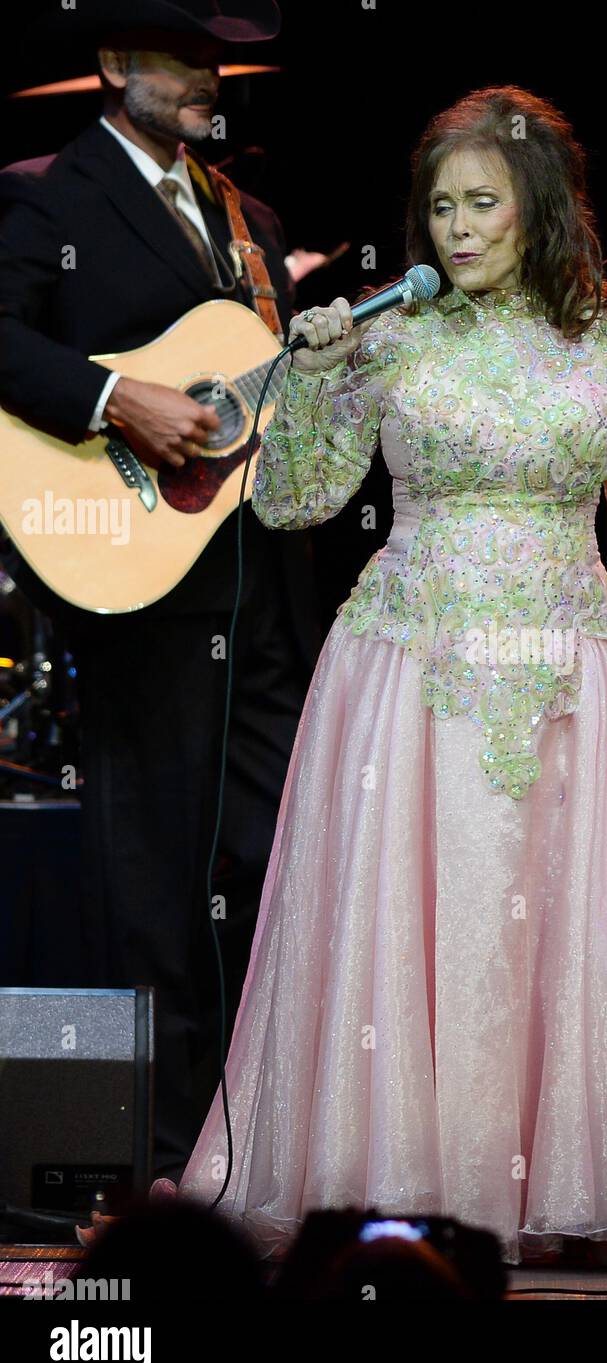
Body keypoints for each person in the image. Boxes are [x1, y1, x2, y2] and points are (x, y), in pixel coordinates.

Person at [171, 86, 607, 1269]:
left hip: (572, 667)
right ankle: (408, 1193)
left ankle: (576, 1192)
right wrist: (314, 378)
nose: (456, 228)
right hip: (410, 662)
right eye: (438, 207)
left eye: (482, 203)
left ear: (539, 211)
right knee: (419, 925)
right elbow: (293, 499)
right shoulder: (388, 338)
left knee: (576, 925)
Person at [0, 0, 322, 1182]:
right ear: (111, 66)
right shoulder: (47, 191)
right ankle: (158, 1156)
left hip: (261, 586)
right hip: (138, 582)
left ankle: (264, 1136)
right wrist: (107, 399)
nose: (208, 74)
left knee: (274, 855)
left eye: (216, 56)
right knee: (152, 872)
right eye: (182, 55)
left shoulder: (253, 217)